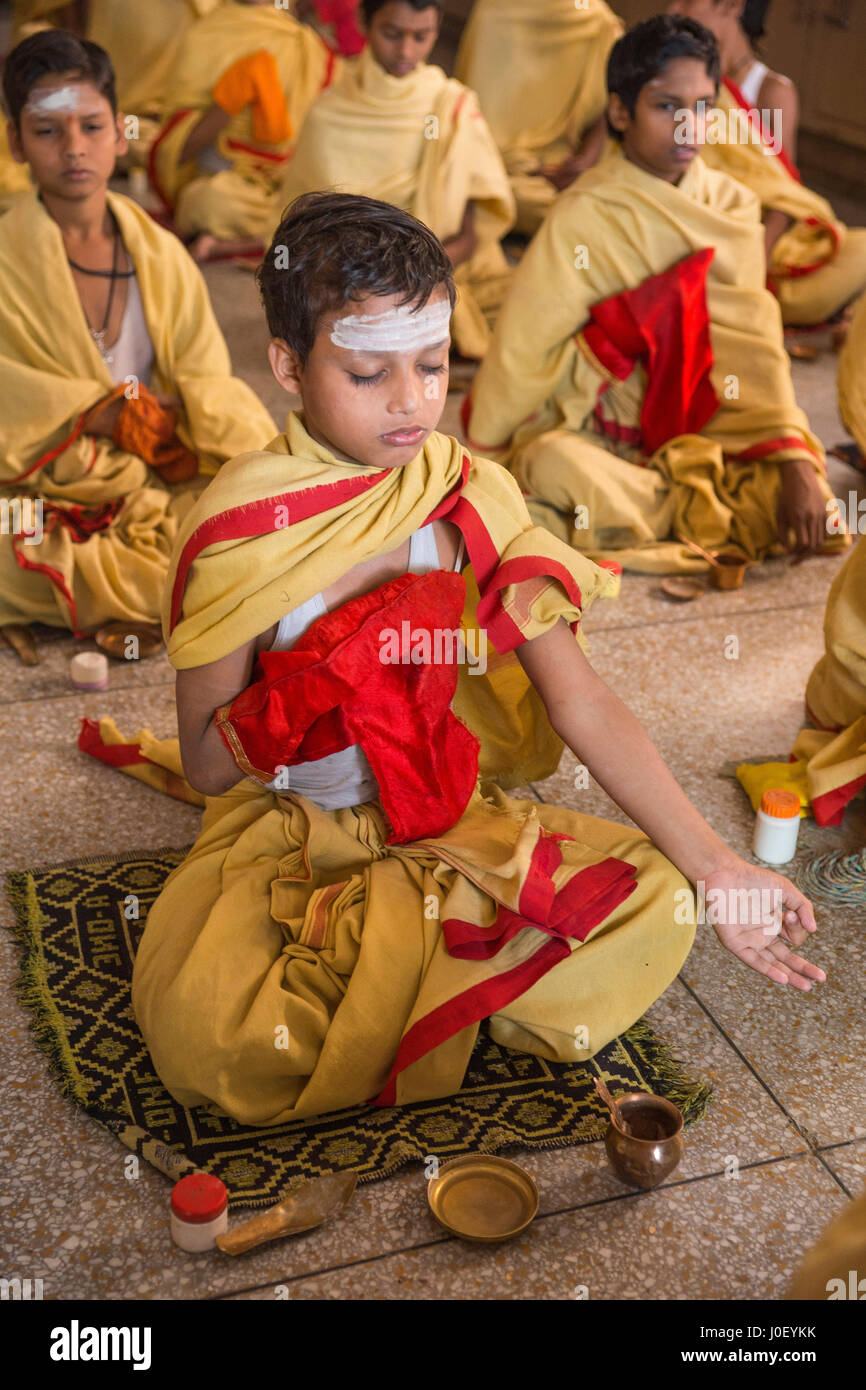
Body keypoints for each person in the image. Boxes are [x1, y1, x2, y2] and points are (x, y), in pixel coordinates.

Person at [127, 190, 825, 1127]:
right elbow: (211, 768)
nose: (413, 401)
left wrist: (718, 869)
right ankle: (455, 992)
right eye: (369, 372)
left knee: (659, 900)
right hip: (295, 827)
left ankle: (407, 993)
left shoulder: (466, 497)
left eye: (433, 363)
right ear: (287, 366)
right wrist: (325, 679)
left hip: (444, 816)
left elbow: (583, 704)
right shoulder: (241, 532)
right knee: (214, 1042)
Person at [463, 16, 845, 575]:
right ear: (619, 112)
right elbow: (523, 355)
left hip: (707, 427)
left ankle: (677, 507)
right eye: (667, 107)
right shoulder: (584, 214)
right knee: (548, 463)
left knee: (812, 500)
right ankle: (692, 509)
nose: (690, 127)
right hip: (606, 441)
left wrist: (790, 457)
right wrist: (487, 462)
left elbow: (754, 345)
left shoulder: (734, 206)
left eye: (704, 107)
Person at [0, 32, 277, 635]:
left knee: (249, 522)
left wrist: (164, 414)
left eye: (92, 127)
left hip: (150, 482)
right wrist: (93, 412)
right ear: (16, 143)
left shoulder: (163, 255)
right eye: (47, 132)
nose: (74, 148)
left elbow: (208, 384)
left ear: (120, 132)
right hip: (38, 493)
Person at [270, 0, 514, 359]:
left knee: (536, 305)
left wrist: (418, 276)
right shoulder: (329, 112)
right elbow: (305, 233)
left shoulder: (452, 106)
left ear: (437, 28)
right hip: (352, 278)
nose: (406, 50)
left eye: (421, 36)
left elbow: (469, 236)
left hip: (444, 267)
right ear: (363, 22)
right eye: (392, 34)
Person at [667, 0, 866, 327]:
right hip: (694, 222)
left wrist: (754, 260)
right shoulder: (682, 75)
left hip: (755, 239)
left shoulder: (771, 92)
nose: (674, 10)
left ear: (732, 5)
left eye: (687, 0)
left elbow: (782, 194)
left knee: (858, 253)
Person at [148, 0, 339, 262]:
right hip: (227, 177)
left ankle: (235, 242)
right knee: (205, 203)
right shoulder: (204, 35)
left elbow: (322, 137)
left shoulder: (302, 42)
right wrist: (227, 104)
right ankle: (274, 235)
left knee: (333, 200)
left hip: (291, 178)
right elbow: (176, 152)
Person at [454, 0, 623, 236]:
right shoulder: (494, 9)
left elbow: (607, 107)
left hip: (553, 176)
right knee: (459, 190)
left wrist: (585, 161)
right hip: (481, 165)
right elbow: (465, 111)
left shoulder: (599, 24)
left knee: (594, 213)